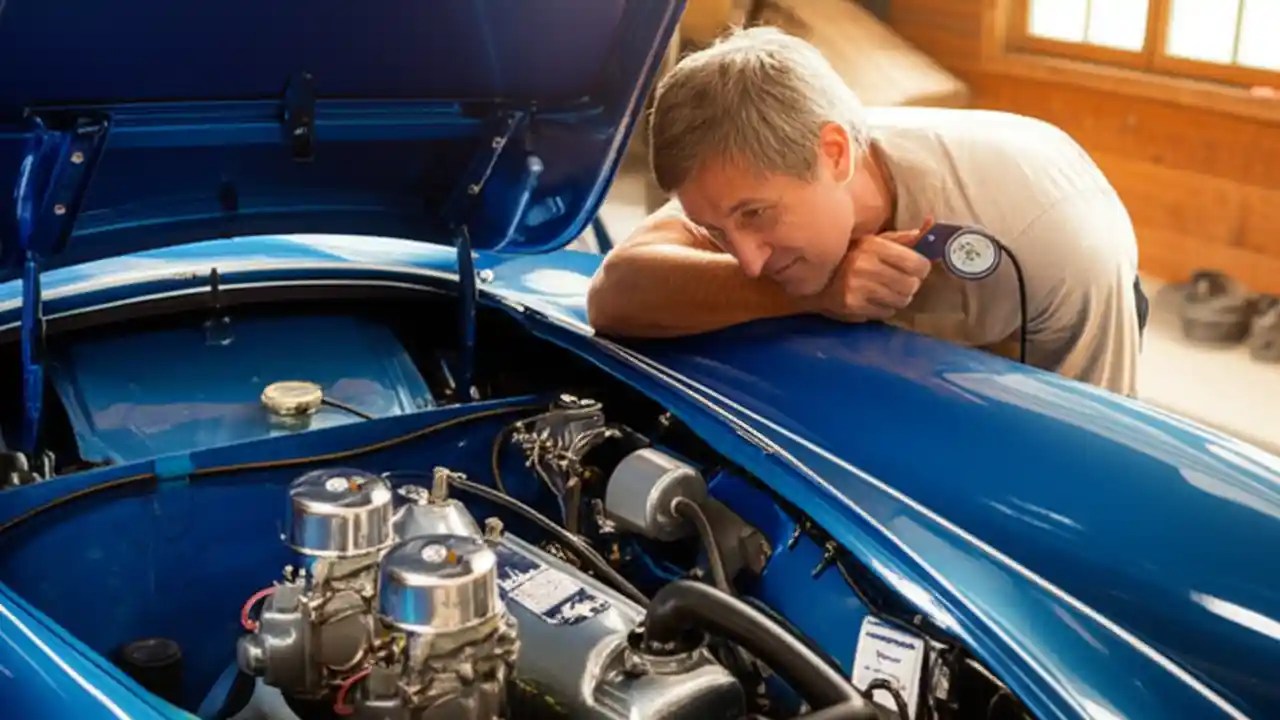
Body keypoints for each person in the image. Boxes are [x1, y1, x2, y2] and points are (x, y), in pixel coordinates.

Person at [585, 26, 1148, 397]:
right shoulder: (742, 172)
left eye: (756, 216)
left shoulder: (1056, 236)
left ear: (834, 154)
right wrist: (812, 295)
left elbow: (1103, 449)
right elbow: (615, 295)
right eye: (714, 230)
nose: (746, 259)